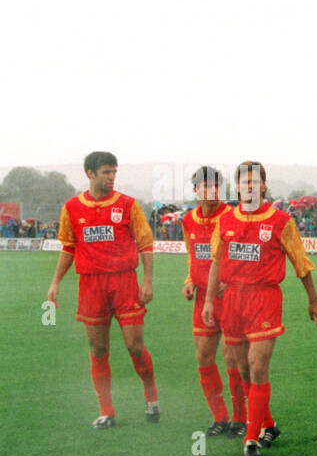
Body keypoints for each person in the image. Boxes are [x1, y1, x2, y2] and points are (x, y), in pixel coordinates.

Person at [202, 161, 317, 456]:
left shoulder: (281, 221)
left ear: (264, 186)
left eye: (256, 181)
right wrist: (207, 301)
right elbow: (216, 261)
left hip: (265, 299)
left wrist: (313, 300)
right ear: (238, 187)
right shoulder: (226, 221)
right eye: (244, 182)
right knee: (242, 368)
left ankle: (252, 438)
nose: (250, 186)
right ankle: (268, 424)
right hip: (233, 300)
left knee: (257, 366)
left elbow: (301, 263)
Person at [46, 151, 160, 428]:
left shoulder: (128, 205)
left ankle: (151, 397)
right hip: (91, 285)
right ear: (90, 174)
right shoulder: (72, 207)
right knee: (98, 350)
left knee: (135, 346)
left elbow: (145, 242)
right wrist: (55, 282)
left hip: (124, 282)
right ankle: (107, 411)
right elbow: (69, 247)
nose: (111, 177)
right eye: (106, 172)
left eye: (114, 172)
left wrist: (147, 280)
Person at [182, 166, 245, 437]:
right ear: (196, 190)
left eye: (217, 187)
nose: (212, 192)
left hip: (230, 297)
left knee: (233, 359)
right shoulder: (188, 220)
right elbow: (192, 254)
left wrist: (229, 279)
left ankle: (240, 418)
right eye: (206, 187)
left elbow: (241, 255)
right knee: (204, 356)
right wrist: (188, 279)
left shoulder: (233, 217)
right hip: (201, 299)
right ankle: (219, 417)